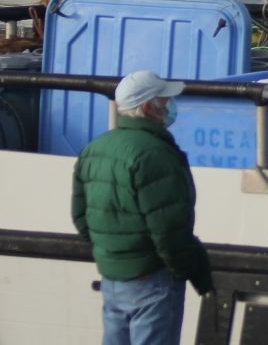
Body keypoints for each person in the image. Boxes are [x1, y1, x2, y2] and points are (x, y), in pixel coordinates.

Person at [72, 69, 213, 345]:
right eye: (165, 101)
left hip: (113, 278)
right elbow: (170, 230)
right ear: (149, 107)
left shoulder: (94, 148)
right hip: (153, 280)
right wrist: (194, 273)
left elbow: (80, 216)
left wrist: (111, 254)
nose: (170, 107)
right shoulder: (156, 154)